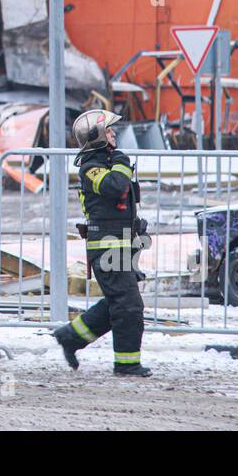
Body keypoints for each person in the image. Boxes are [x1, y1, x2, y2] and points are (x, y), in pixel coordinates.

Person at [52, 109, 152, 377]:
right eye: (108, 130)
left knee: (118, 302)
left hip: (120, 244)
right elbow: (114, 186)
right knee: (129, 305)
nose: (113, 134)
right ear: (96, 136)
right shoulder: (91, 168)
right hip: (107, 246)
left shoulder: (108, 162)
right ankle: (127, 364)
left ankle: (71, 337)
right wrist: (121, 161)